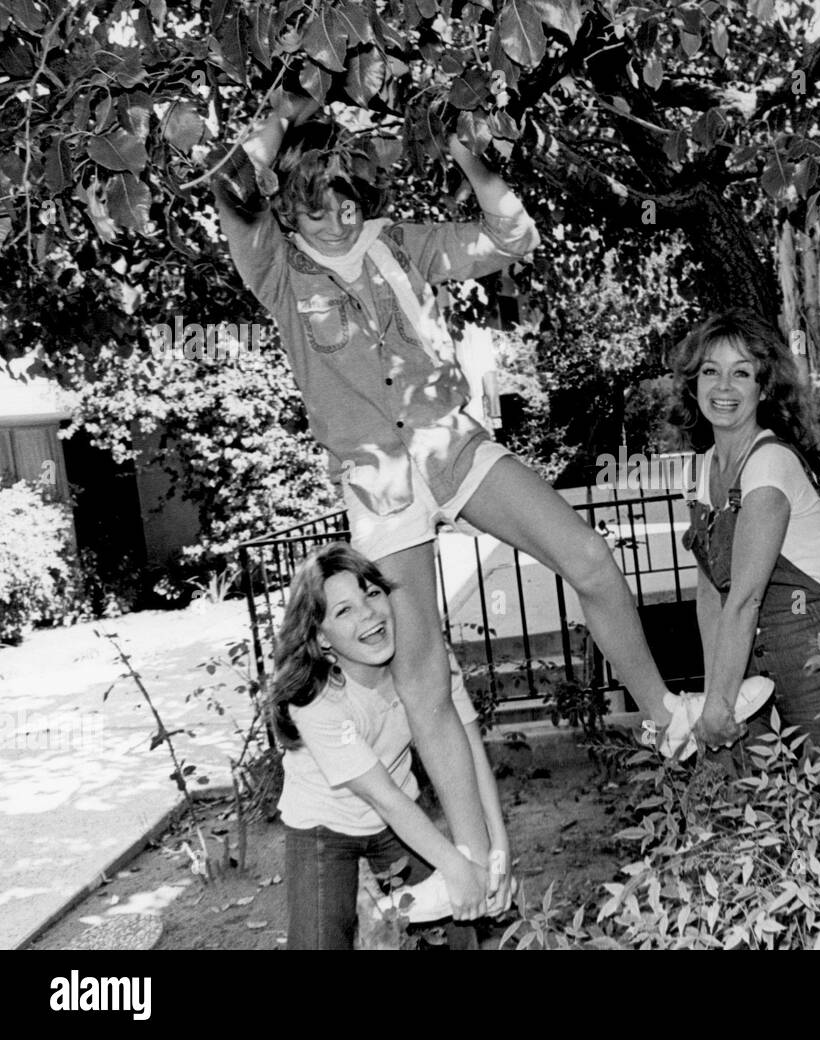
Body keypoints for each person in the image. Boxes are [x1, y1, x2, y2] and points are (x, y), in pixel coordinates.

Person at [209, 84, 705, 903]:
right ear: (289, 205)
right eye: (314, 207)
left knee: (587, 555)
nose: (335, 222)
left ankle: (662, 715)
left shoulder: (398, 243)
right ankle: (471, 866)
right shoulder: (273, 264)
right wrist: (286, 111)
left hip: (452, 442)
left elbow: (513, 236)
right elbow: (232, 179)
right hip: (378, 481)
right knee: (426, 678)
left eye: (346, 203)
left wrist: (469, 152)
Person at [271, 543, 510, 950]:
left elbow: (470, 749)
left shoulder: (427, 657)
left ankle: (385, 914)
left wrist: (497, 854)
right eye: (343, 610)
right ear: (320, 636)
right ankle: (376, 916)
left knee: (459, 935)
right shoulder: (315, 699)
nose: (367, 613)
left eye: (372, 592)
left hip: (396, 819)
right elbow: (383, 798)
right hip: (323, 825)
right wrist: (456, 866)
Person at [670, 310, 820, 753]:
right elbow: (711, 598)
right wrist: (718, 695)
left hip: (819, 672)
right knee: (762, 814)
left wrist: (719, 705)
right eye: (711, 371)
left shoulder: (770, 464)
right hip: (751, 680)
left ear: (763, 389)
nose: (723, 387)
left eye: (741, 373)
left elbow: (745, 599)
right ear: (694, 383)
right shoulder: (705, 469)